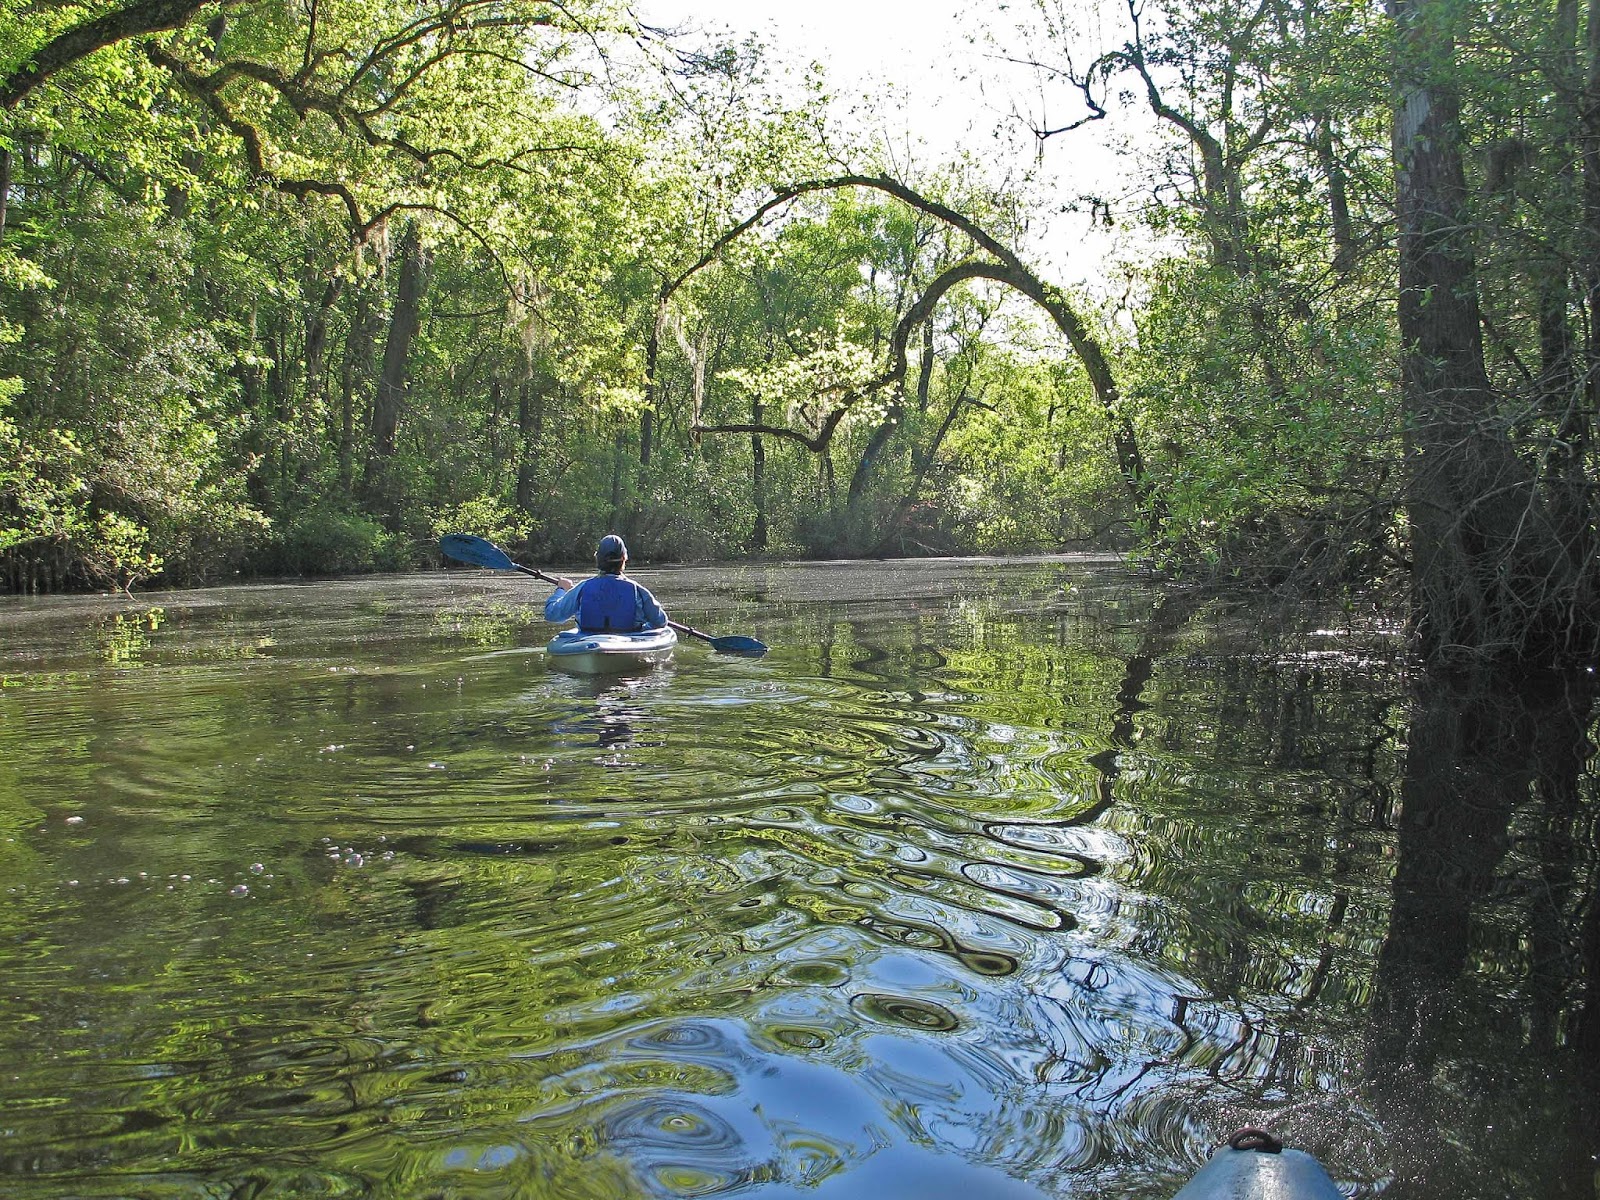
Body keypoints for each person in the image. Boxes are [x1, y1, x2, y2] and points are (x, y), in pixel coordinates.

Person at [544, 534, 668, 633]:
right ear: (624, 559)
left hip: (588, 640)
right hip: (628, 640)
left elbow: (551, 614)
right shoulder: (638, 590)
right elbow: (660, 622)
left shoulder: (583, 588)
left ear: (597, 559)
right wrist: (642, 628)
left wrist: (561, 589)